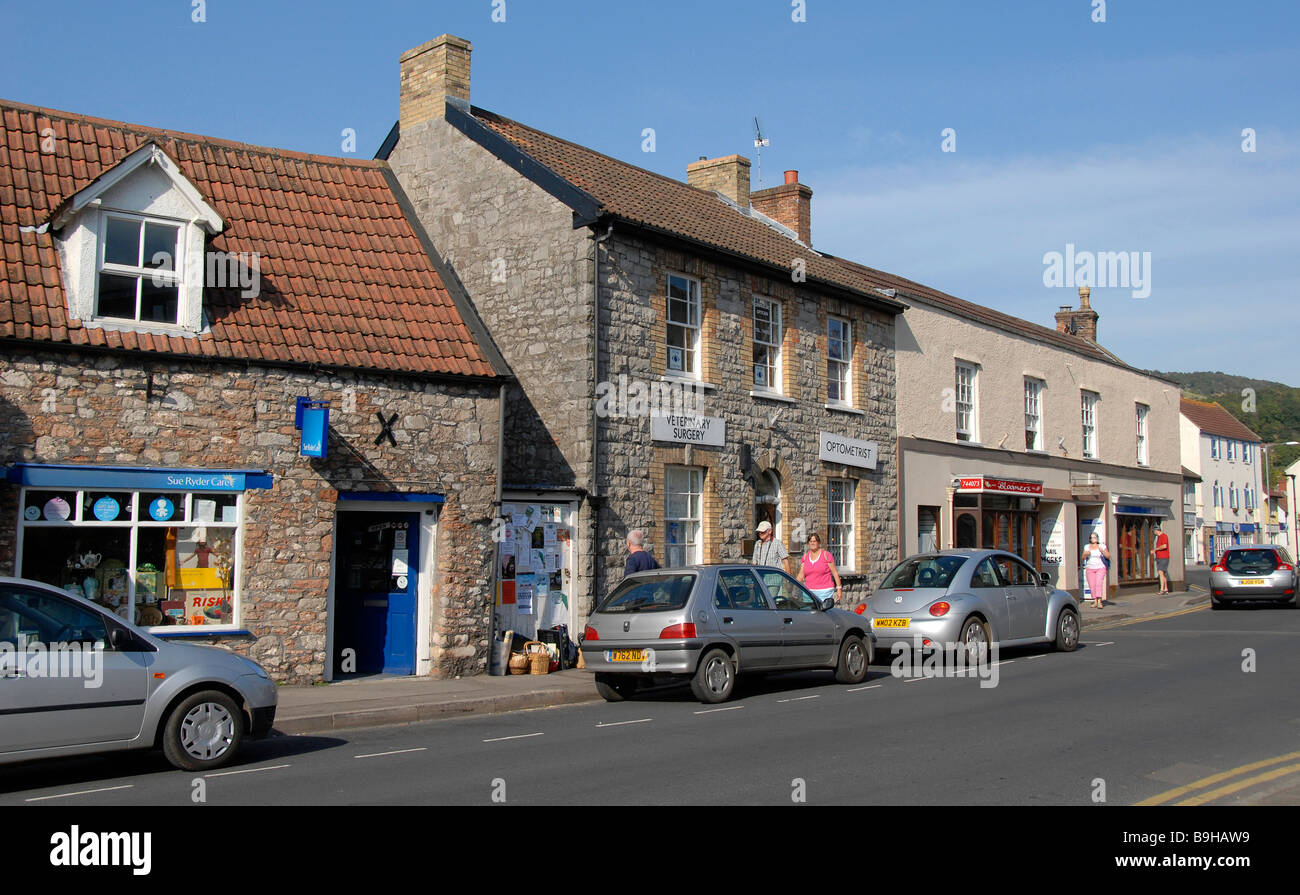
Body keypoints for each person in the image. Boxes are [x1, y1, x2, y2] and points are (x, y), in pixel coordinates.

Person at [796, 532, 841, 603]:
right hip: (808, 592)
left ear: (818, 542)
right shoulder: (805, 557)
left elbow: (835, 573)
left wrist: (839, 589)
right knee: (808, 612)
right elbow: (801, 576)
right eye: (810, 541)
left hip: (824, 592)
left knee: (822, 613)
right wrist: (794, 586)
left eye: (814, 541)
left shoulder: (826, 555)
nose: (812, 543)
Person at [1082, 532, 1110, 610]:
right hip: (1090, 568)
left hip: (1100, 567)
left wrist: (1103, 551)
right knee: (1092, 585)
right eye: (1092, 537)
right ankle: (1095, 601)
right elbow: (1083, 557)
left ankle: (1099, 601)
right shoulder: (1087, 546)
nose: (1094, 539)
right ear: (1090, 539)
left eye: (1095, 537)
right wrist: (1086, 554)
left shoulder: (1102, 546)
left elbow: (1108, 556)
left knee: (1098, 584)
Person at [1151, 522, 1172, 594]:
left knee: (1160, 573)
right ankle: (1166, 589)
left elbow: (1164, 546)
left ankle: (1161, 590)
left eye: (1154, 531)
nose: (1154, 532)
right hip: (1161, 557)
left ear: (1157, 530)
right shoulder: (1159, 537)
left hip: (1163, 557)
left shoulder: (1163, 536)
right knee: (1163, 574)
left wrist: (1155, 549)